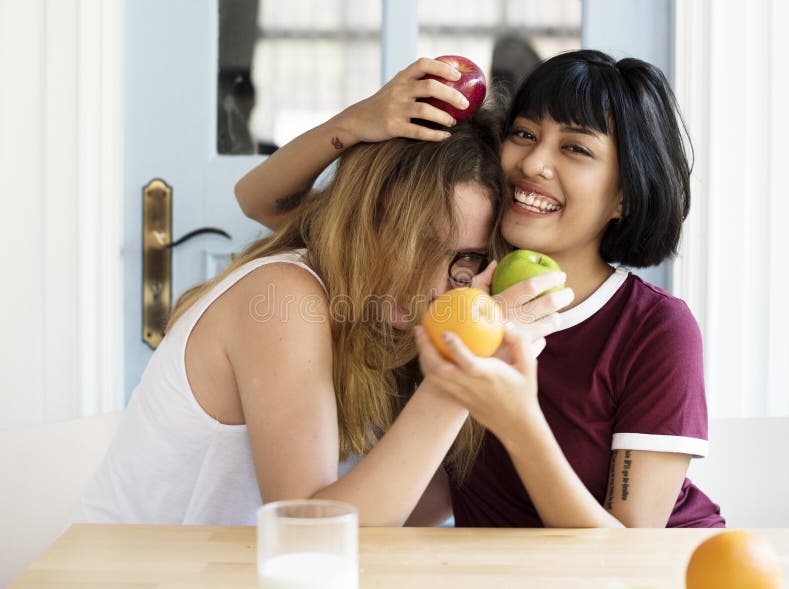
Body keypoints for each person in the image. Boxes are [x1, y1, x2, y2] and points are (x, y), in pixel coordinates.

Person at [235, 50, 724, 528]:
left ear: (623, 195)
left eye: (575, 148)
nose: (534, 163)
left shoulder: (654, 328)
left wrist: (516, 421)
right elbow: (260, 201)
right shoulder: (454, 275)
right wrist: (359, 120)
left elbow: (629, 552)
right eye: (525, 134)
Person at [74, 103, 568, 527]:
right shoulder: (284, 294)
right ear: (360, 218)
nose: (431, 286)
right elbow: (309, 530)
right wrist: (455, 380)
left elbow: (394, 508)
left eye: (463, 261)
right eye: (416, 245)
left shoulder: (386, 318)